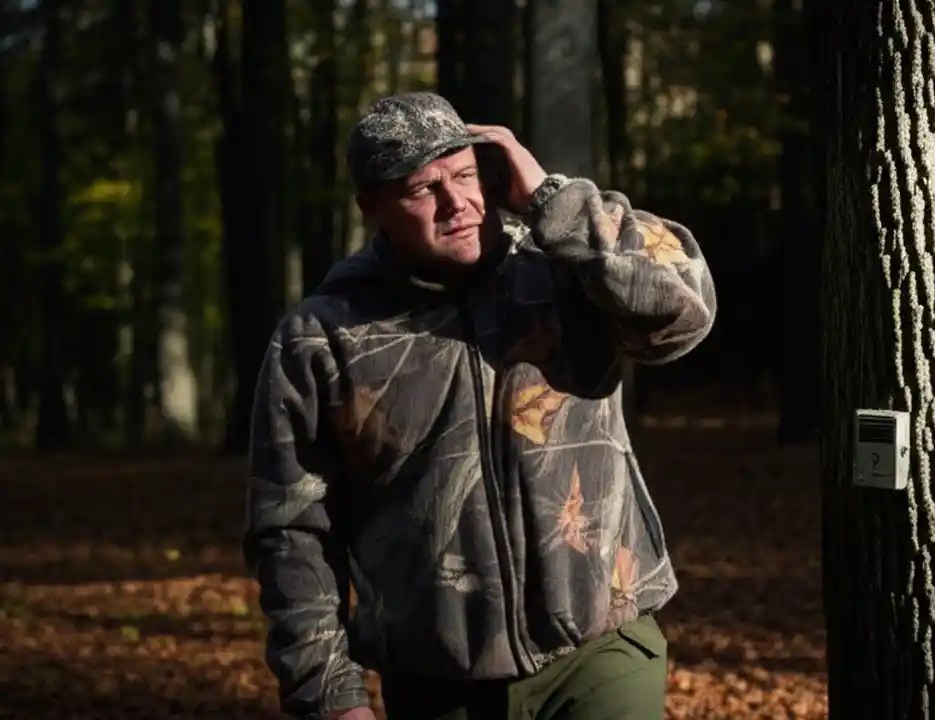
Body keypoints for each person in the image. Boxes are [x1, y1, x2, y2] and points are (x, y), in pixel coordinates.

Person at [243, 92, 716, 720]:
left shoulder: (559, 272)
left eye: (466, 175)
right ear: (372, 207)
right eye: (422, 188)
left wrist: (552, 199)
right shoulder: (321, 338)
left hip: (602, 648)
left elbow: (685, 312)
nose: (456, 203)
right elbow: (291, 530)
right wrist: (327, 692)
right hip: (438, 681)